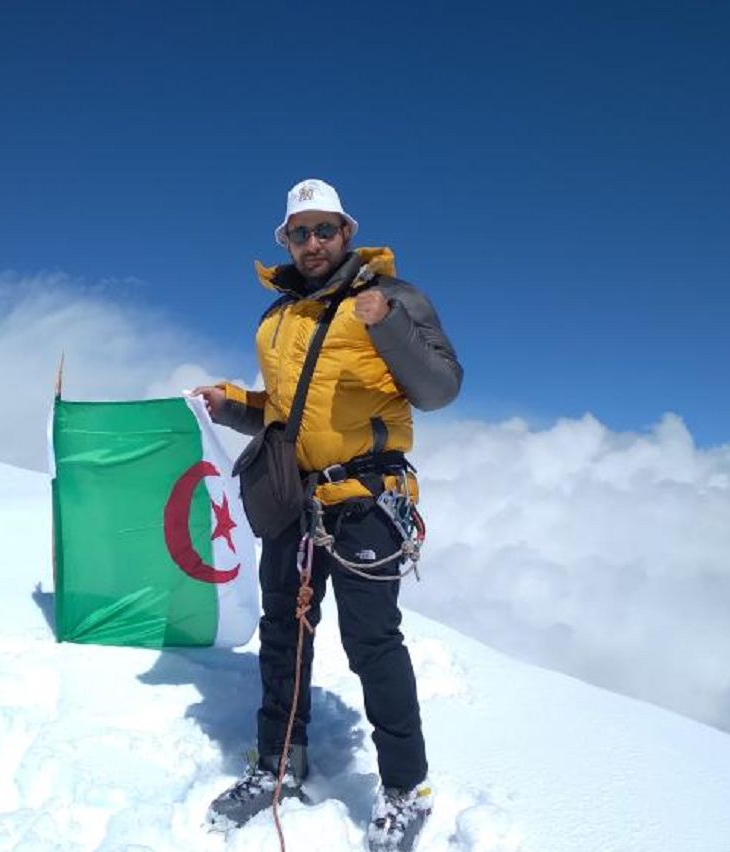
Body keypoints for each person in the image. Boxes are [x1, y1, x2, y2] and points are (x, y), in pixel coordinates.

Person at [193, 178, 462, 849]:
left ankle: (406, 787)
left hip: (366, 497)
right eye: (299, 232)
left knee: (372, 642)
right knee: (284, 633)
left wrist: (386, 321)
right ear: (285, 240)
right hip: (295, 498)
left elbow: (439, 388)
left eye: (324, 229)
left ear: (347, 232)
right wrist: (231, 405)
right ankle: (279, 762)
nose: (312, 242)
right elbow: (283, 413)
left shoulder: (392, 297)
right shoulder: (276, 319)